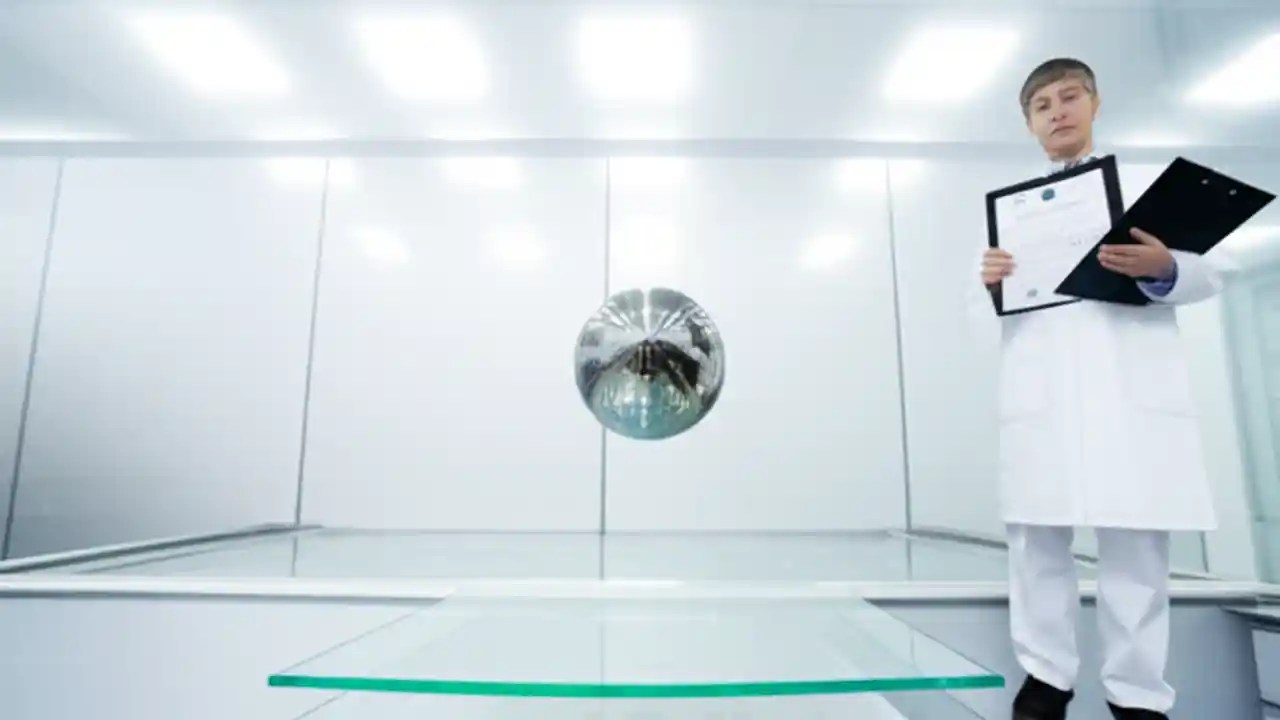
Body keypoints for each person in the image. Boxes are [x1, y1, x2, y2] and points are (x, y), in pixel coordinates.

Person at [977, 58, 1225, 719]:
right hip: (1044, 398)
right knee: (1035, 543)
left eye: (1068, 97)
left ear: (1094, 103)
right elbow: (995, 303)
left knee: (1136, 549)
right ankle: (1046, 679)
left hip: (1127, 395)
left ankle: (1138, 696)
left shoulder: (1145, 190)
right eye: (1041, 105)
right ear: (1029, 124)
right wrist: (991, 280)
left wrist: (1167, 267)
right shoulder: (1015, 214)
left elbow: (1209, 272)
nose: (1056, 111)